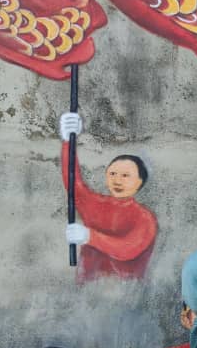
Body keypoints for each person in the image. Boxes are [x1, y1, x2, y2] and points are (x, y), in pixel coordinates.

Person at [58, 112, 158, 282]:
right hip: (86, 291)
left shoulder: (144, 219)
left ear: (140, 181)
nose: (117, 180)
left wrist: (89, 236)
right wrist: (68, 141)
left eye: (126, 176)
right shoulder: (95, 204)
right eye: (112, 173)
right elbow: (73, 183)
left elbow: (127, 249)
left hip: (125, 296)